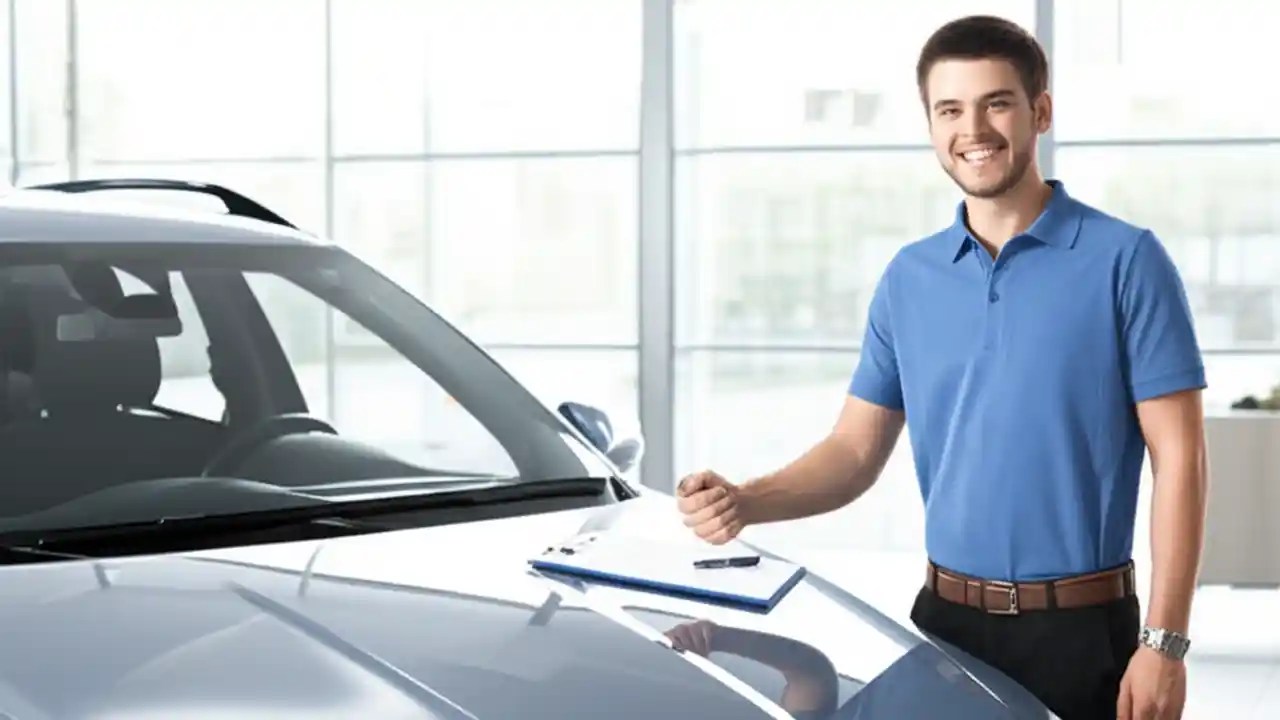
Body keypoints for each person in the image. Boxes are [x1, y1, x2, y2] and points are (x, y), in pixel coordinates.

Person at [675, 14, 1207, 720]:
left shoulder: (1125, 261)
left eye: (997, 102)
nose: (974, 129)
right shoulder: (908, 278)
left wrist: (1165, 644)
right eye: (950, 109)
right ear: (930, 124)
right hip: (943, 629)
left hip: (1082, 636)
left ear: (1039, 111)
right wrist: (747, 502)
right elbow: (853, 452)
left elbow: (1182, 460)